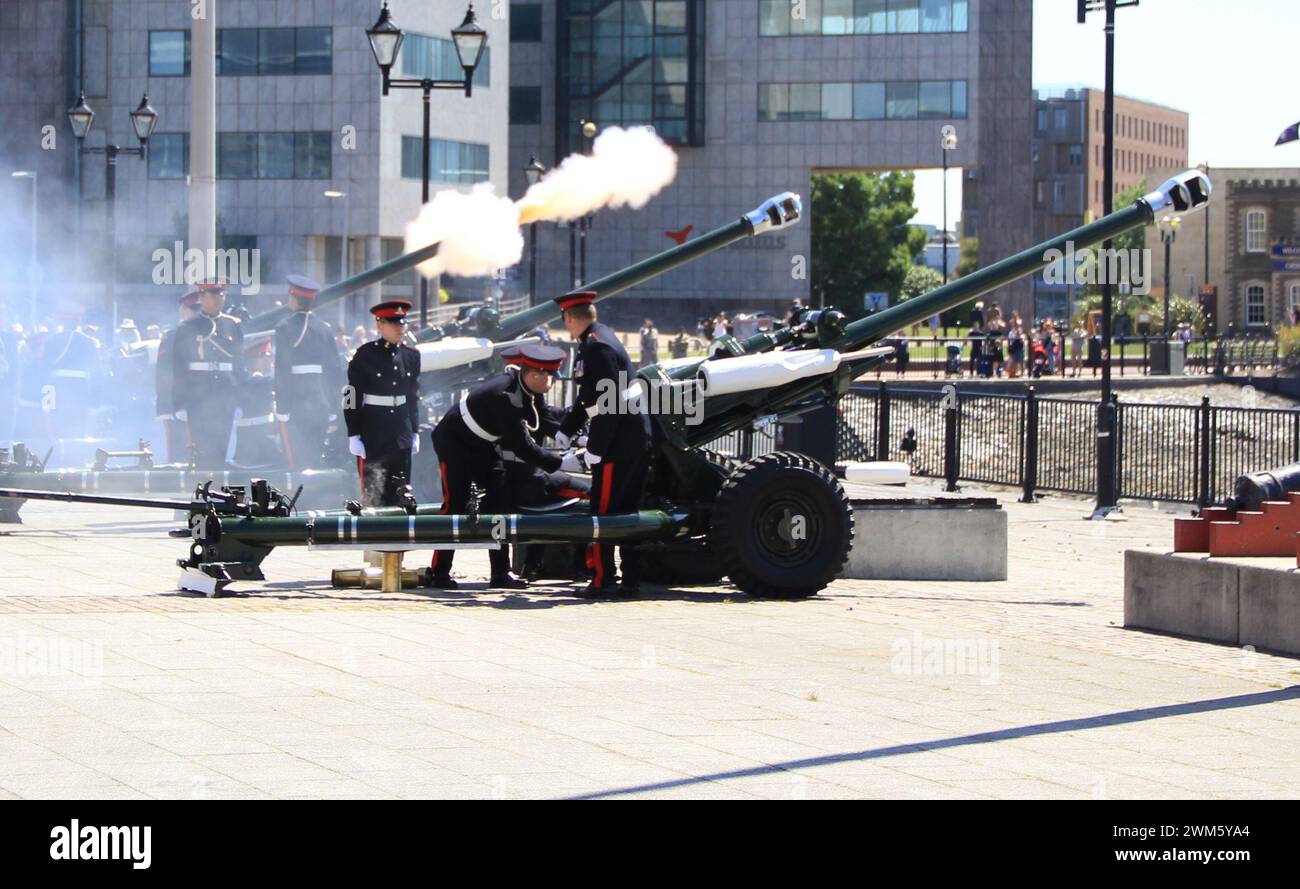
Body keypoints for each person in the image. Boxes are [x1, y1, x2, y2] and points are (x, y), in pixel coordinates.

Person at [427, 342, 570, 590]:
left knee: (500, 503)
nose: (554, 381)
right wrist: (561, 462)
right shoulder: (506, 396)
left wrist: (574, 434)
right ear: (535, 374)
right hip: (455, 444)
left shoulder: (526, 388)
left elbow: (543, 415)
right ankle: (438, 572)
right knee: (455, 505)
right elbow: (521, 446)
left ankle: (500, 573)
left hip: (484, 444)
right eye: (551, 376)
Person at [554, 292, 652, 597]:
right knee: (625, 509)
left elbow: (610, 404)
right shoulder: (600, 339)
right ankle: (630, 578)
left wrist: (595, 449)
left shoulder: (596, 347)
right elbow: (591, 397)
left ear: (570, 318)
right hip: (630, 437)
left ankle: (602, 577)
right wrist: (566, 429)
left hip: (619, 442)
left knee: (604, 510)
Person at [343, 300, 421, 507]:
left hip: (401, 432)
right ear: (380, 325)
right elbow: (351, 396)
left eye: (401, 323)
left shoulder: (411, 356)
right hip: (374, 432)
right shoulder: (365, 355)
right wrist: (354, 434)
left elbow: (413, 396)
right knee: (374, 494)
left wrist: (415, 431)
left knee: (403, 492)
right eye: (393, 323)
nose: (399, 328)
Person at [273, 275, 344, 469]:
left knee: (295, 461)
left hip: (296, 403)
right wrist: (332, 407)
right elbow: (334, 372)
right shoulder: (325, 329)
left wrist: (282, 408)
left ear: (293, 297)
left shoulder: (285, 327)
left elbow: (282, 371)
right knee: (315, 458)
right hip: (320, 403)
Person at [171, 279, 245, 467]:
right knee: (202, 450)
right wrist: (180, 403)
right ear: (202, 298)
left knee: (222, 448)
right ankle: (204, 490)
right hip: (198, 395)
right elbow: (179, 367)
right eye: (213, 295)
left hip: (225, 393)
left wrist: (240, 400)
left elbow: (239, 365)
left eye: (221, 295)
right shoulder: (188, 327)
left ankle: (218, 491)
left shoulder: (233, 324)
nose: (218, 299)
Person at [44, 303, 101, 441]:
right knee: (79, 420)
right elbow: (96, 369)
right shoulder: (89, 342)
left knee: (58, 420)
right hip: (80, 385)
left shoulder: (52, 340)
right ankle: (78, 455)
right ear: (78, 322)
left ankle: (58, 454)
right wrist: (95, 395)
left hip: (58, 384)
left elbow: (45, 366)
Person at [156, 290, 200, 463]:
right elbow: (164, 372)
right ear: (183, 310)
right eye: (193, 309)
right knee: (177, 455)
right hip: (175, 405)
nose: (196, 314)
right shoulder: (172, 336)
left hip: (201, 403)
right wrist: (166, 405)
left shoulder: (209, 333)